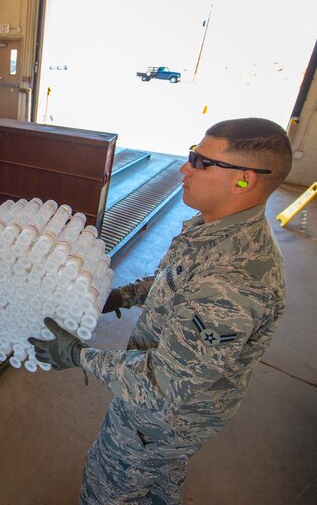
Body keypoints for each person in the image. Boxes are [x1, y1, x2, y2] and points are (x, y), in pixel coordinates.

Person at [29, 117, 291, 504]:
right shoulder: (216, 229)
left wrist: (77, 355)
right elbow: (173, 280)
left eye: (201, 161)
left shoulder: (235, 284)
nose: (185, 167)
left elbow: (161, 386)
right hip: (168, 420)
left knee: (108, 488)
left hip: (162, 422)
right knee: (160, 479)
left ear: (244, 179)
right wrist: (117, 298)